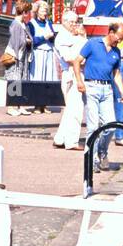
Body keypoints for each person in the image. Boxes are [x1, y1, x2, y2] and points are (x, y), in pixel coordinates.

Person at [75, 20, 123, 172]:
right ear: (111, 32)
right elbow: (77, 61)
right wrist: (79, 81)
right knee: (93, 126)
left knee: (111, 125)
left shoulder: (116, 52)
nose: (120, 41)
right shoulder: (93, 44)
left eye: (122, 38)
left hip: (107, 89)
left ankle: (102, 151)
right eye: (118, 37)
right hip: (91, 87)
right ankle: (92, 159)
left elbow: (116, 75)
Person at [52, 10, 85, 150]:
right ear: (63, 22)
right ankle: (71, 142)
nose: (74, 25)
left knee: (70, 109)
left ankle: (60, 138)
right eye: (71, 22)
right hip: (71, 74)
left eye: (75, 22)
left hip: (75, 72)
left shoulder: (73, 36)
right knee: (76, 109)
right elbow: (68, 58)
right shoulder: (62, 38)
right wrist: (82, 60)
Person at [3, 0, 34, 117]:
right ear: (24, 12)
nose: (29, 15)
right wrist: (26, 40)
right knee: (13, 80)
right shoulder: (15, 24)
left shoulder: (23, 24)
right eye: (28, 12)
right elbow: (15, 41)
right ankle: (11, 107)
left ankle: (20, 105)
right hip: (15, 56)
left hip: (22, 55)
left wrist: (29, 41)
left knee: (21, 79)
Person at [28, 0, 57, 113]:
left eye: (46, 11)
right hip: (38, 53)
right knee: (38, 78)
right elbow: (31, 41)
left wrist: (52, 36)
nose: (44, 13)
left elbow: (53, 38)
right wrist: (44, 37)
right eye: (42, 11)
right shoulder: (31, 23)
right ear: (37, 11)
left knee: (47, 78)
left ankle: (44, 104)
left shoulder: (48, 23)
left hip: (49, 52)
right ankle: (36, 105)